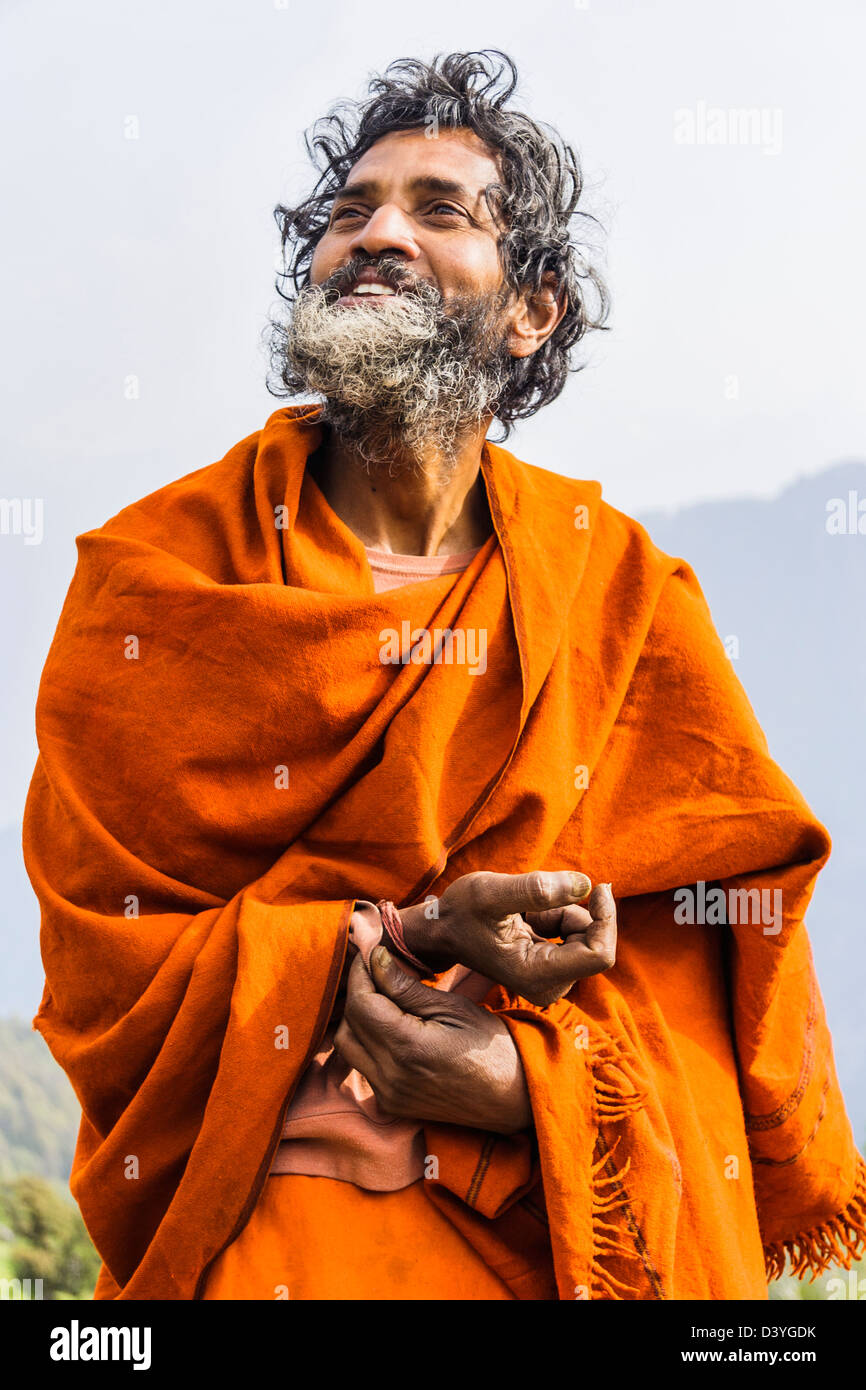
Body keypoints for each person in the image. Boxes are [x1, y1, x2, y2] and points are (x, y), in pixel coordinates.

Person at [24, 50, 865, 1301]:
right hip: (260, 1240)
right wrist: (410, 930)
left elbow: (705, 969)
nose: (376, 236)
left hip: (540, 1244)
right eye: (350, 210)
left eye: (438, 209)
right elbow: (108, 968)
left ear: (532, 308)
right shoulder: (159, 579)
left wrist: (527, 1087)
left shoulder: (619, 595)